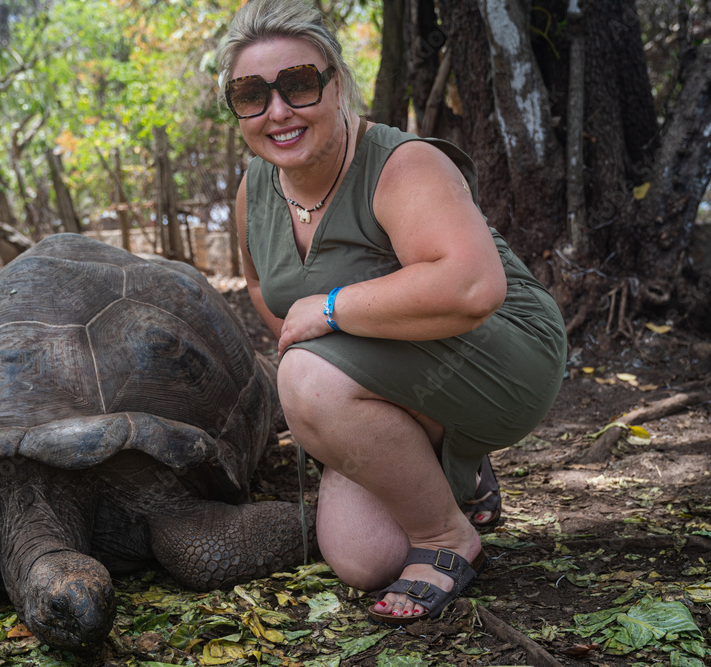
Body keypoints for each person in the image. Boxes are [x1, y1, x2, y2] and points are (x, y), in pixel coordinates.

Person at [217, 0, 567, 625]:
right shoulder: (255, 187)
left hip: (503, 350)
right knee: (362, 556)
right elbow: (263, 287)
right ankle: (455, 466)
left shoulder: (401, 164)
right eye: (251, 94)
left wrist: (330, 312)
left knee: (305, 377)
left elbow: (469, 289)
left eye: (297, 84)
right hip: (406, 363)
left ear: (338, 83)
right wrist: (319, 353)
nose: (278, 111)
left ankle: (447, 537)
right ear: (236, 108)